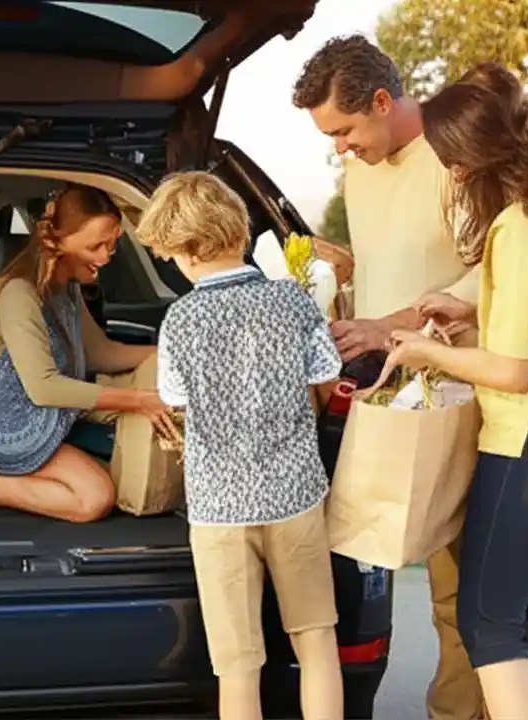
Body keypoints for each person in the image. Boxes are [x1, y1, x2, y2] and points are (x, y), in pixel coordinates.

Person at [377, 71, 528, 720]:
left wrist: (426, 351)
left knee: (489, 626)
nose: (451, 176)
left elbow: (511, 371)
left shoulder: (517, 228)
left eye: (452, 161)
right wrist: (466, 307)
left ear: (476, 158)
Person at [292, 35, 485, 720]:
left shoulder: (458, 153)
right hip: (392, 402)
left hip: (465, 399)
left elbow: (492, 276)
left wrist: (388, 326)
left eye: (344, 130)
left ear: (382, 100)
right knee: (385, 573)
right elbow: (389, 269)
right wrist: (346, 294)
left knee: (464, 595)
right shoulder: (362, 171)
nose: (339, 148)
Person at [137, 170, 344, 720]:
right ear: (238, 229)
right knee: (317, 640)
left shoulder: (179, 320)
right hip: (294, 494)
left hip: (219, 509)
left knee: (236, 664)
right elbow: (325, 371)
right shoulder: (291, 301)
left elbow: (174, 397)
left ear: (183, 251)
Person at [0, 183, 176, 522]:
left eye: (112, 245)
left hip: (36, 423)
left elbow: (100, 354)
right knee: (95, 497)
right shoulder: (18, 294)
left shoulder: (65, 291)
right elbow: (44, 387)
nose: (106, 257)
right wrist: (138, 400)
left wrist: (170, 354)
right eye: (95, 246)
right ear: (57, 241)